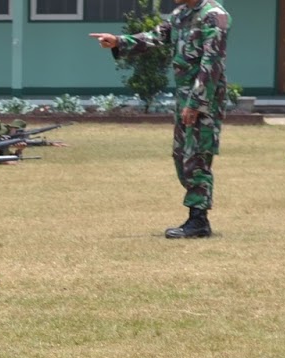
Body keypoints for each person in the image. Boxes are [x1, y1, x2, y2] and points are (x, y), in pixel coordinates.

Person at [92, 0, 231, 239]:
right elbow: (155, 36)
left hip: (203, 98)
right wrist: (119, 41)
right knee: (181, 155)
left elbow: (212, 62)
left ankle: (199, 221)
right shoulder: (181, 14)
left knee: (197, 154)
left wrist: (197, 102)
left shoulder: (215, 16)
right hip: (184, 96)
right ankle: (196, 216)